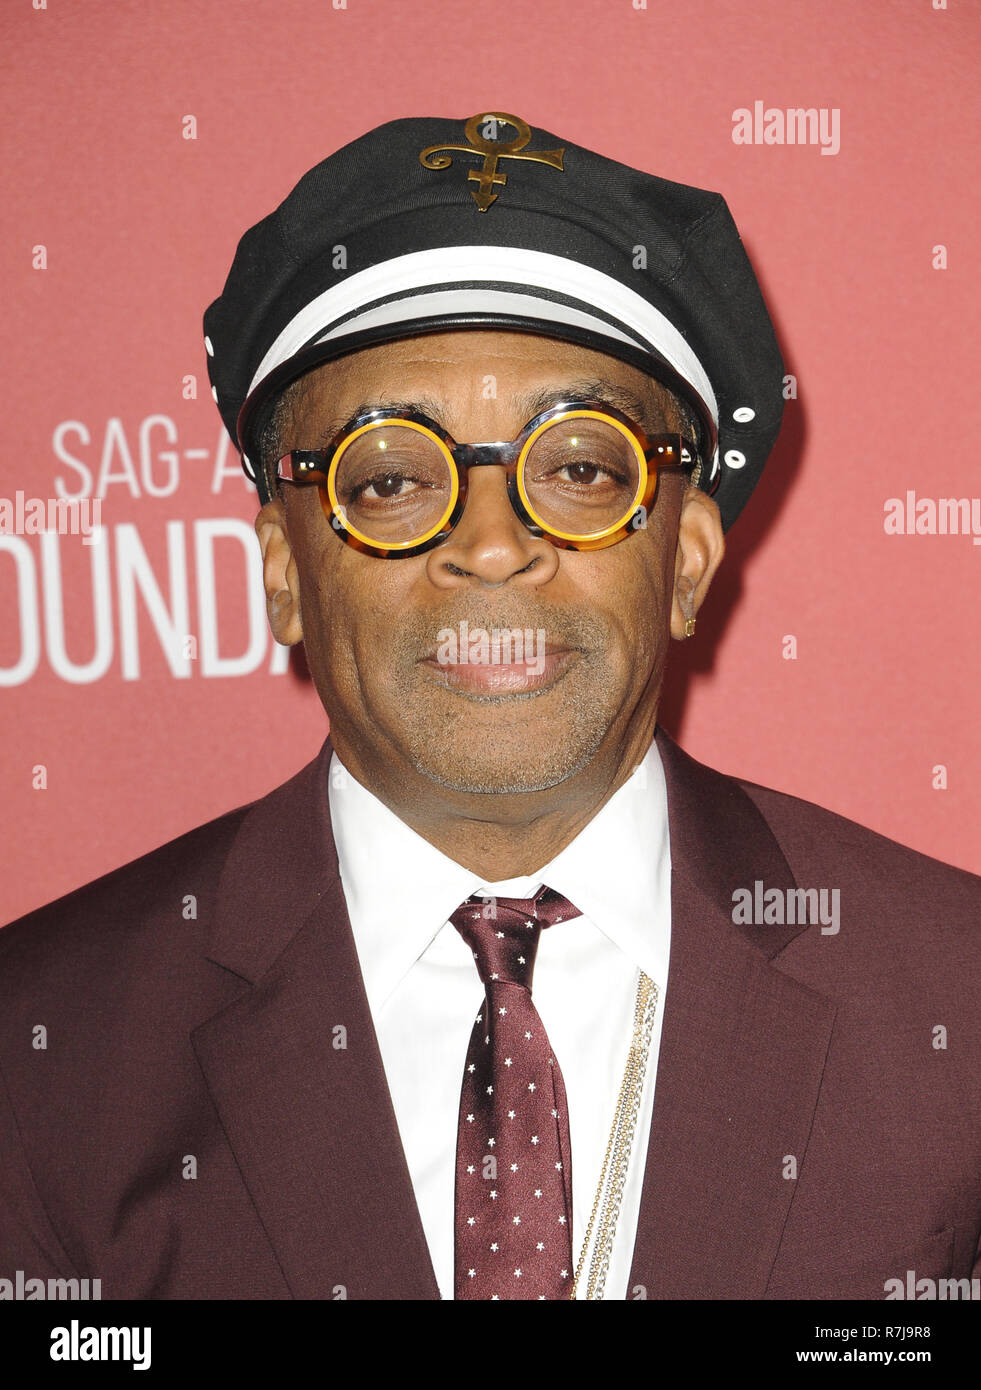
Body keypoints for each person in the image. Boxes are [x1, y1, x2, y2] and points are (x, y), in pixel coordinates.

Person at [1, 113, 978, 1302]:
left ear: (687, 560)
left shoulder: (952, 1005)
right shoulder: (40, 1052)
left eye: (580, 468)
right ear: (282, 571)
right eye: (390, 479)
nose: (495, 544)